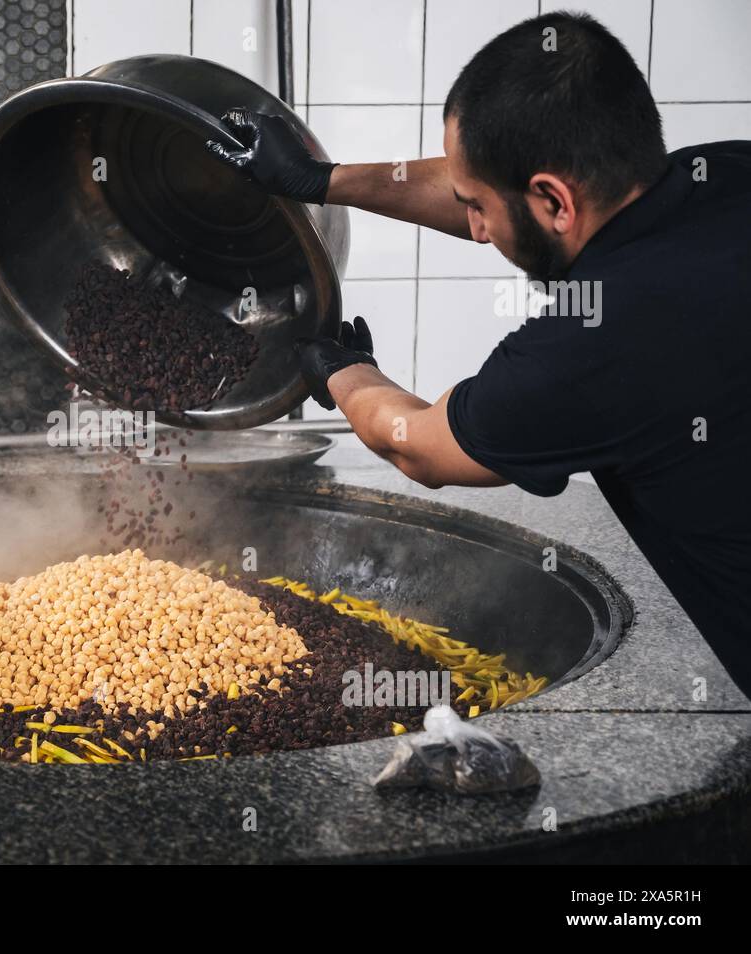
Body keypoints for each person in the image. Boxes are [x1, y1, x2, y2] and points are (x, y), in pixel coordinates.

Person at [206, 11, 751, 696]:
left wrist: (340, 371)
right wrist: (320, 179)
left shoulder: (592, 351)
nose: (474, 226)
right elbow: (491, 187)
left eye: (477, 209)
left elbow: (420, 449)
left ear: (553, 198)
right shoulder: (725, 173)